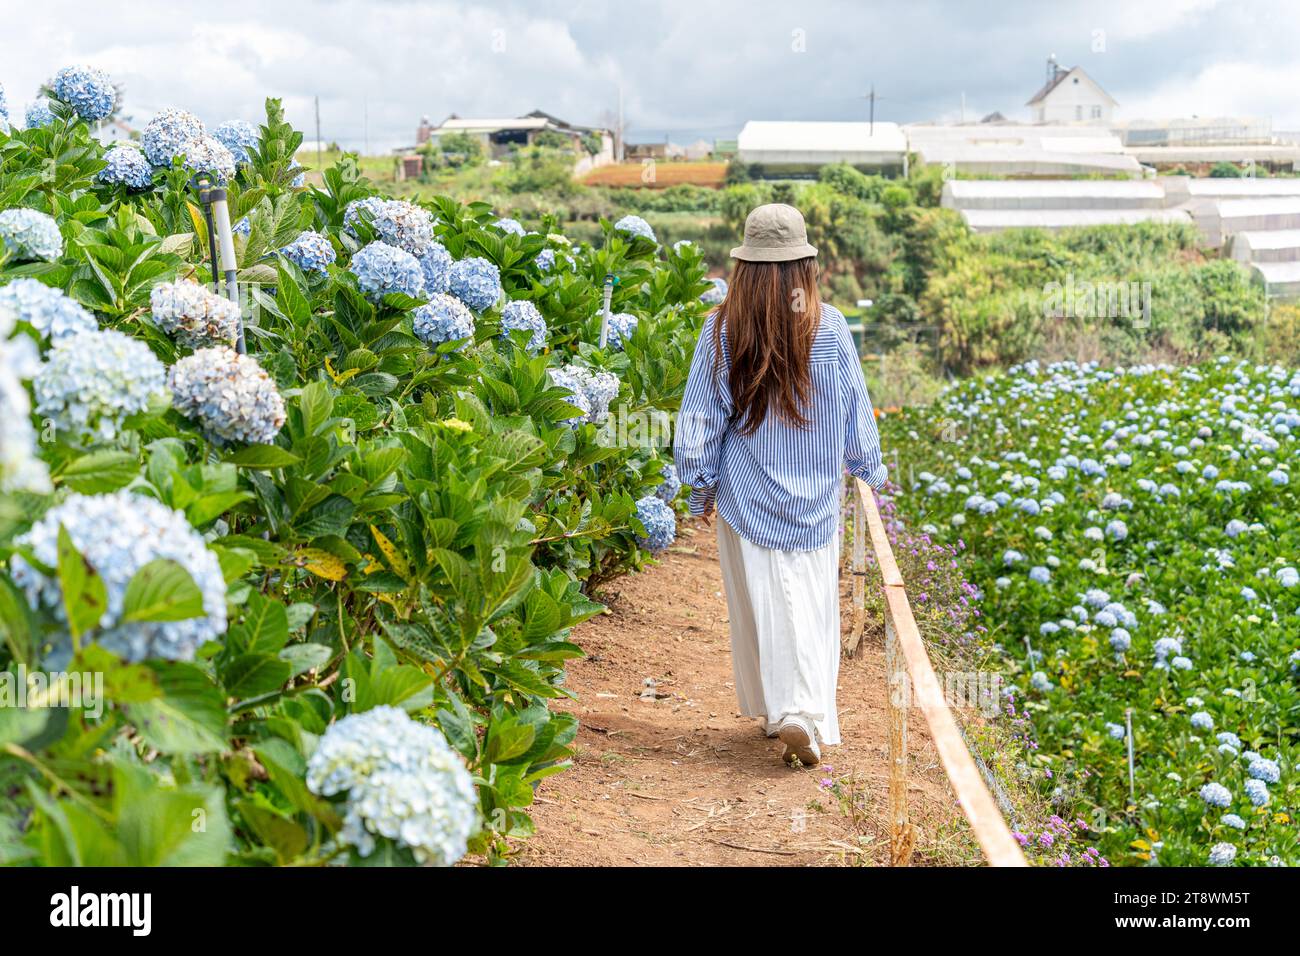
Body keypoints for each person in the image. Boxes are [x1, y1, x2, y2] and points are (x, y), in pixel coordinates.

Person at [675, 203, 888, 767]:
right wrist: (869, 469)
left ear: (744, 268)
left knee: (764, 598)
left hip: (747, 494)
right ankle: (805, 713)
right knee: (812, 601)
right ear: (804, 268)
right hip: (816, 499)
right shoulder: (830, 327)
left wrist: (699, 486)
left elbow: (700, 418)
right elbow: (854, 413)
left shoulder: (721, 329)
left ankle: (785, 711)